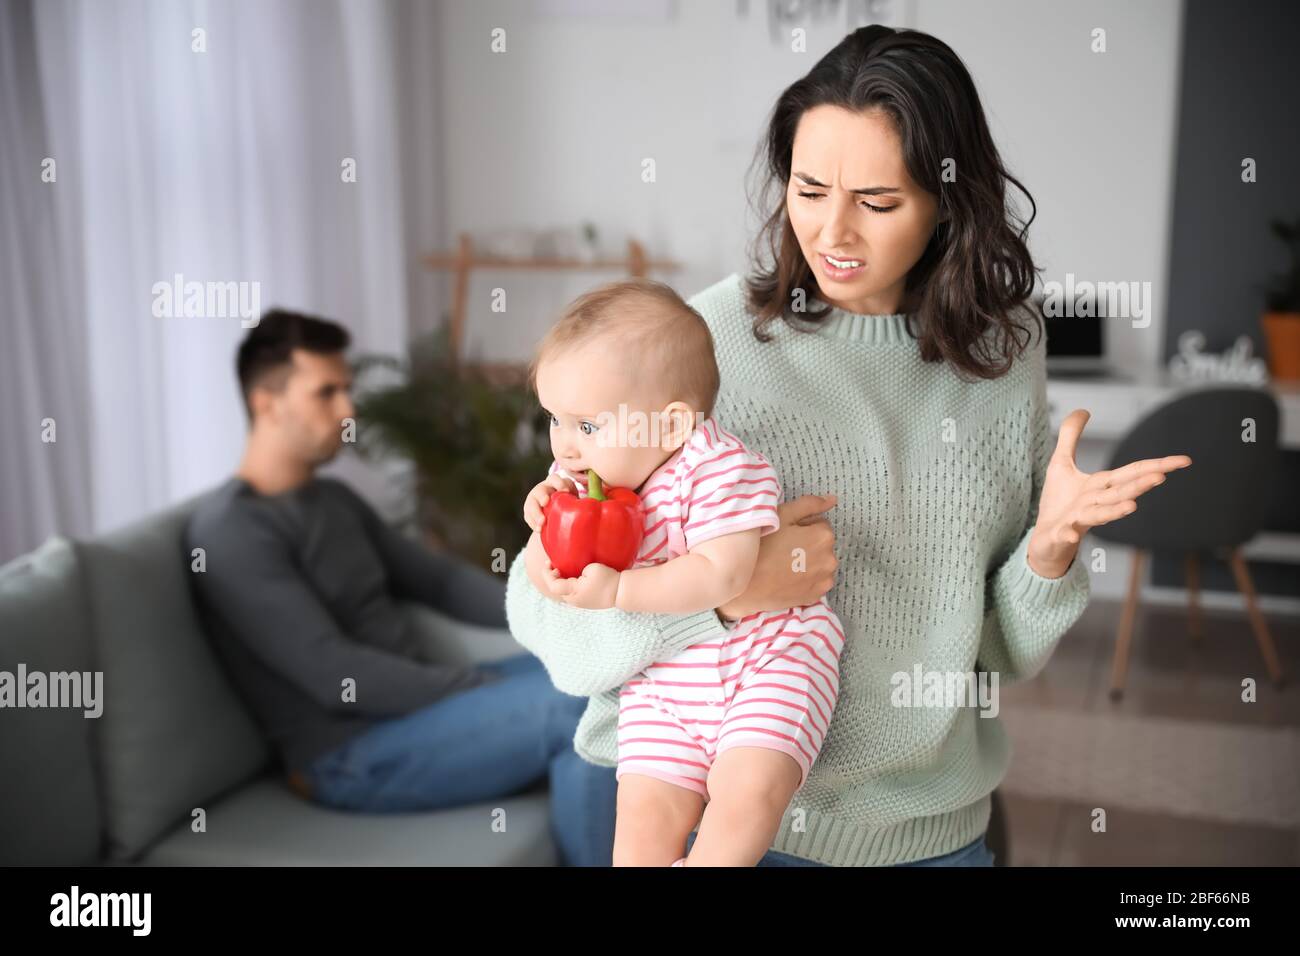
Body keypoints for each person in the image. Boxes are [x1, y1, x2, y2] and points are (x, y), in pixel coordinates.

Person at [504, 25, 1191, 867]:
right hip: (718, 828)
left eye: (877, 202)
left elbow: (995, 651)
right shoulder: (707, 341)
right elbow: (549, 623)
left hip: (929, 838)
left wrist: (1048, 550)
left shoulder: (1002, 355)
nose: (834, 232)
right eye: (809, 188)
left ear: (948, 201)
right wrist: (726, 596)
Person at [185, 309, 618, 866]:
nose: (348, 409)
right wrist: (469, 684)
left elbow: (436, 581)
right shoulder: (230, 532)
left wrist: (550, 603)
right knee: (572, 706)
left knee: (604, 670)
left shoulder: (333, 501)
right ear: (266, 404)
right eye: (326, 393)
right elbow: (331, 671)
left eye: (347, 389)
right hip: (348, 755)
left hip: (418, 714)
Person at [521, 279, 846, 865]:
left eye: (585, 425)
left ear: (670, 426)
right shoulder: (592, 469)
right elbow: (552, 534)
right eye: (554, 420)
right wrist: (542, 519)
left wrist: (621, 589)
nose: (564, 448)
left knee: (747, 795)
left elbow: (723, 576)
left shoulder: (719, 469)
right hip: (666, 685)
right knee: (642, 821)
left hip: (766, 661)